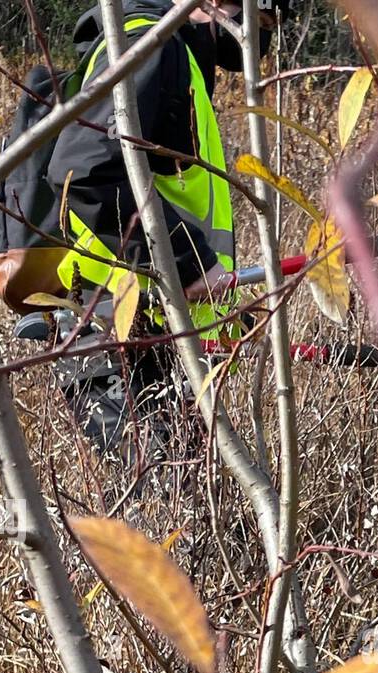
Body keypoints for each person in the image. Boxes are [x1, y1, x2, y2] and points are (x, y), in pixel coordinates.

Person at [47, 0, 287, 470]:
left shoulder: (179, 56)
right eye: (255, 17)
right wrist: (186, 263)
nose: (257, 36)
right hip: (111, 329)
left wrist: (213, 298)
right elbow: (84, 169)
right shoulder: (146, 45)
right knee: (162, 512)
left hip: (153, 330)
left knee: (195, 507)